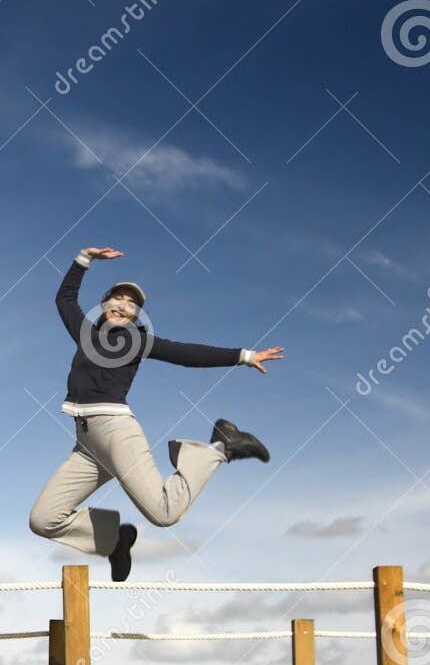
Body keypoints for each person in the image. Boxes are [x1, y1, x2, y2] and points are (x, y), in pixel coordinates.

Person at [28, 246, 283, 582]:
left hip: (116, 432)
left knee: (164, 513)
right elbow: (65, 299)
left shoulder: (137, 341)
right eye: (117, 298)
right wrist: (83, 259)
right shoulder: (86, 332)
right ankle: (115, 540)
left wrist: (244, 356)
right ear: (104, 304)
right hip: (87, 443)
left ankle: (221, 447)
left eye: (132, 303)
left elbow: (187, 353)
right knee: (44, 519)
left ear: (136, 316)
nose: (123, 305)